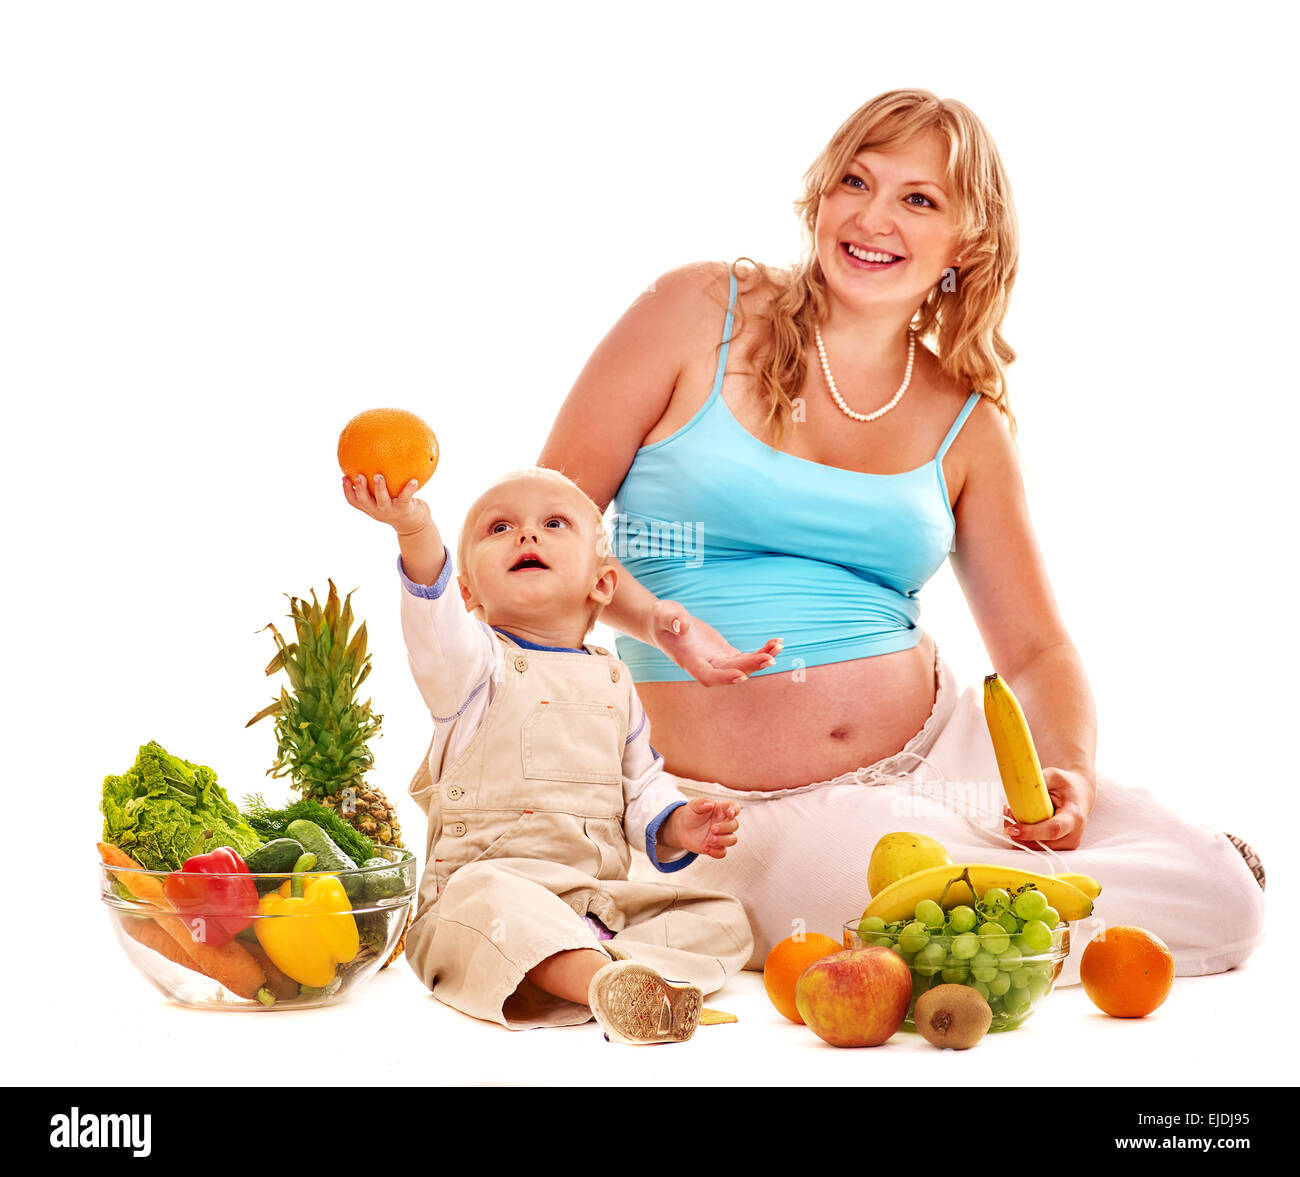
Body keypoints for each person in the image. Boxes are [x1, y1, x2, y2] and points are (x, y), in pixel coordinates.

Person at [536, 88, 1265, 986]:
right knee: (887, 888)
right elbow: (545, 532)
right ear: (821, 198)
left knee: (1225, 898)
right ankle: (1059, 896)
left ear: (968, 245)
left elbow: (1036, 652)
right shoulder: (699, 311)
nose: (873, 217)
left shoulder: (966, 424)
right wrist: (662, 627)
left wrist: (1069, 772)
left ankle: (1053, 872)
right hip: (729, 807)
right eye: (856, 181)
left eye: (918, 199)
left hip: (943, 753)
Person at [342, 464, 753, 1040]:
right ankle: (604, 982)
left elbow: (641, 787)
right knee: (482, 900)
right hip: (490, 891)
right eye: (500, 527)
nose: (526, 535)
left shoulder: (615, 681)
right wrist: (414, 530)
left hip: (595, 905)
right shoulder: (471, 670)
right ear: (467, 593)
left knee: (724, 916)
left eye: (553, 523)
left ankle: (604, 972)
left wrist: (679, 824)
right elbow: (431, 623)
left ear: (603, 584)